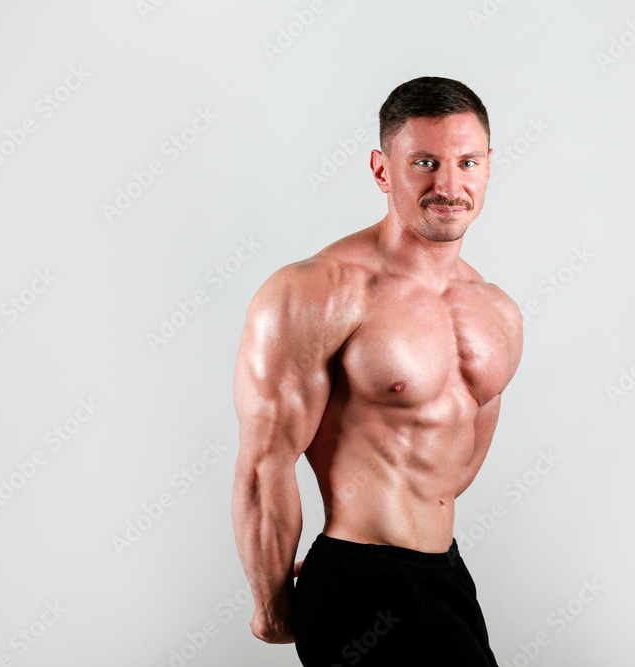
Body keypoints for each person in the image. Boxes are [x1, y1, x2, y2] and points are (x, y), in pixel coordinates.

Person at [231, 76, 523, 666]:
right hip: (358, 587)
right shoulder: (316, 291)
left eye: (467, 162)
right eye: (424, 162)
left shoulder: (497, 311)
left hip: (445, 576)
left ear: (489, 167)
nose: (449, 184)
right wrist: (272, 607)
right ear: (382, 170)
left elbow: (452, 464)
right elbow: (266, 466)